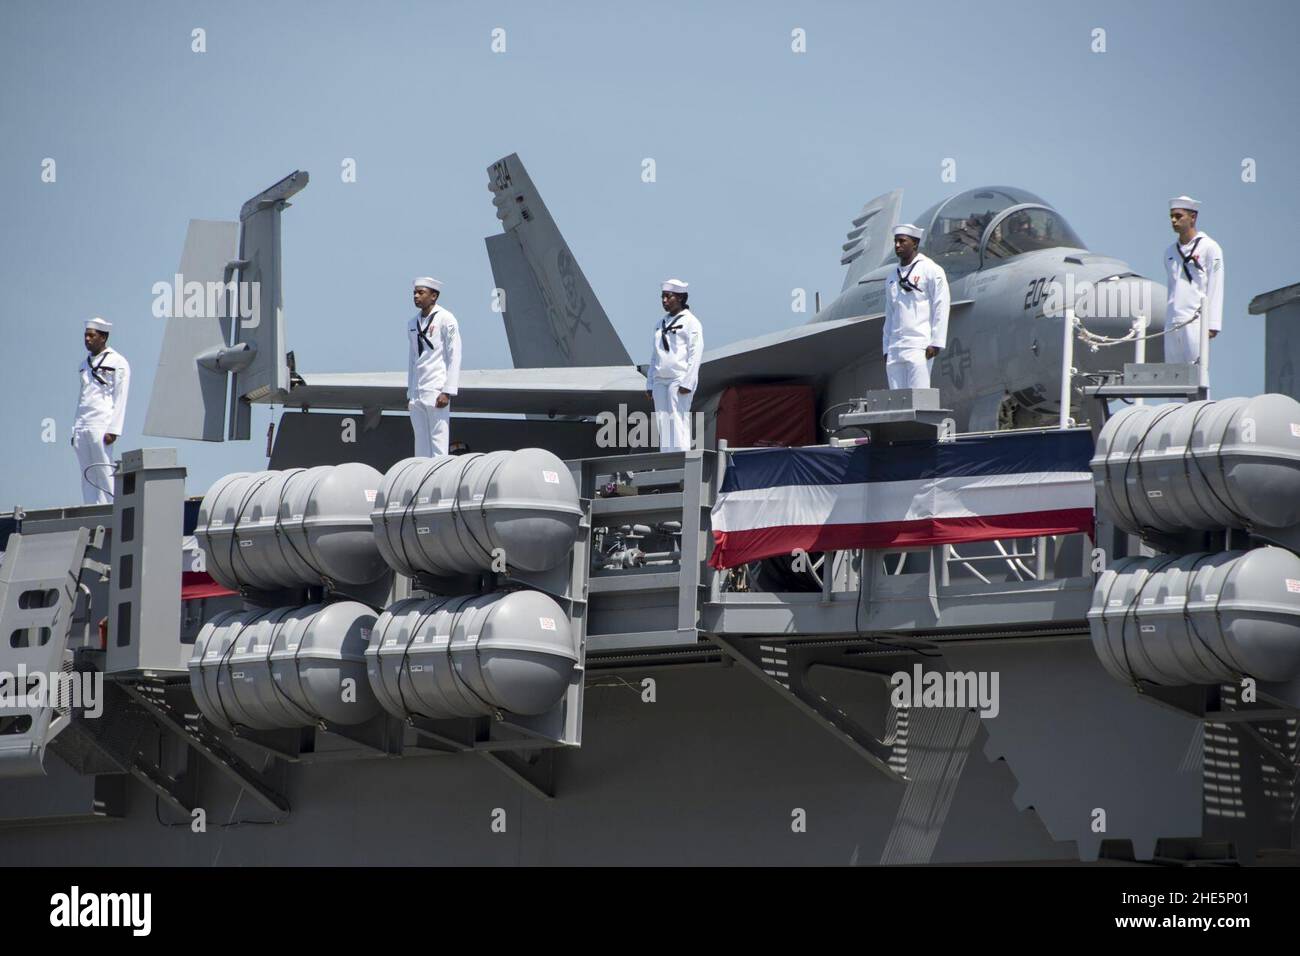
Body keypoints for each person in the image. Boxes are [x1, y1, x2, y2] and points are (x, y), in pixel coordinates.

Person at [882, 224, 950, 389]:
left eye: (902, 241)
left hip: (919, 345)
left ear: (915, 244)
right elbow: (889, 314)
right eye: (895, 242)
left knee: (920, 395)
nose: (897, 245)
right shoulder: (892, 276)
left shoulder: (931, 270)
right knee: (897, 400)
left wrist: (936, 342)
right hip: (895, 347)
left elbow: (941, 304)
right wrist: (886, 348)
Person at [72, 316, 129, 504]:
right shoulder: (83, 365)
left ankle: (109, 508)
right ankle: (91, 509)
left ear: (103, 337)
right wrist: (75, 428)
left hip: (102, 423)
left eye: (91, 335)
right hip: (83, 423)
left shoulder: (117, 362)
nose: (87, 339)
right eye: (85, 336)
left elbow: (121, 396)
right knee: (86, 472)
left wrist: (114, 429)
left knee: (103, 468)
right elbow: (82, 398)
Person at [1164, 196, 1224, 366]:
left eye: (1178, 216)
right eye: (1171, 217)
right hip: (1172, 321)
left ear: (1193, 217)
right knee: (1172, 375)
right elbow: (1172, 287)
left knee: (1197, 374)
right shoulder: (1169, 252)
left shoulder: (1209, 247)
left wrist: (1212, 323)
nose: (1173, 220)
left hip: (1195, 320)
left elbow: (1216, 284)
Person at [406, 277, 460, 457]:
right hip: (417, 391)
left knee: (439, 441)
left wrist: (448, 390)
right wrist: (410, 392)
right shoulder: (412, 323)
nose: (416, 296)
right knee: (420, 443)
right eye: (414, 292)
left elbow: (455, 355)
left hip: (437, 388)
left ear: (434, 296)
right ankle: (421, 479)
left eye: (421, 293)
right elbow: (413, 359)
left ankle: (438, 480)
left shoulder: (446, 318)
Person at [646, 278, 702, 452]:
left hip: (679, 378)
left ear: (680, 298)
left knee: (678, 419)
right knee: (663, 422)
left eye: (668, 297)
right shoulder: (660, 324)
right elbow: (655, 355)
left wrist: (688, 381)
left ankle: (681, 459)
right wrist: (649, 383)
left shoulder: (691, 322)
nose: (664, 301)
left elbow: (695, 353)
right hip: (660, 379)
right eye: (662, 297)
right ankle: (666, 458)